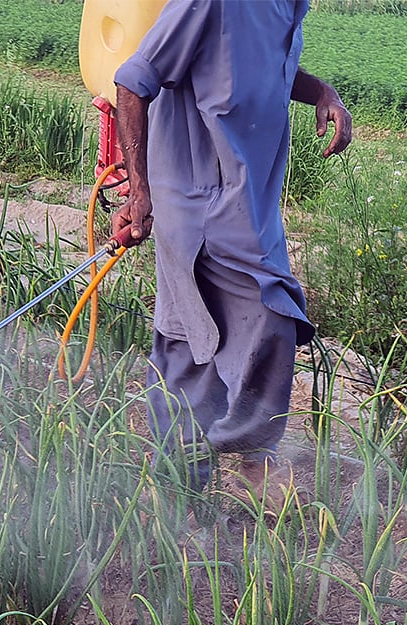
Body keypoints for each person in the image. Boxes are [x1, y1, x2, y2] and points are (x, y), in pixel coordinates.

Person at [111, 0, 351, 506]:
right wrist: (139, 191)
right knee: (271, 311)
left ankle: (182, 497)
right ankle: (252, 462)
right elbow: (133, 82)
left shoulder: (288, 7)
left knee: (189, 348)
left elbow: (260, 68)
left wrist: (321, 94)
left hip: (248, 203)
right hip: (198, 204)